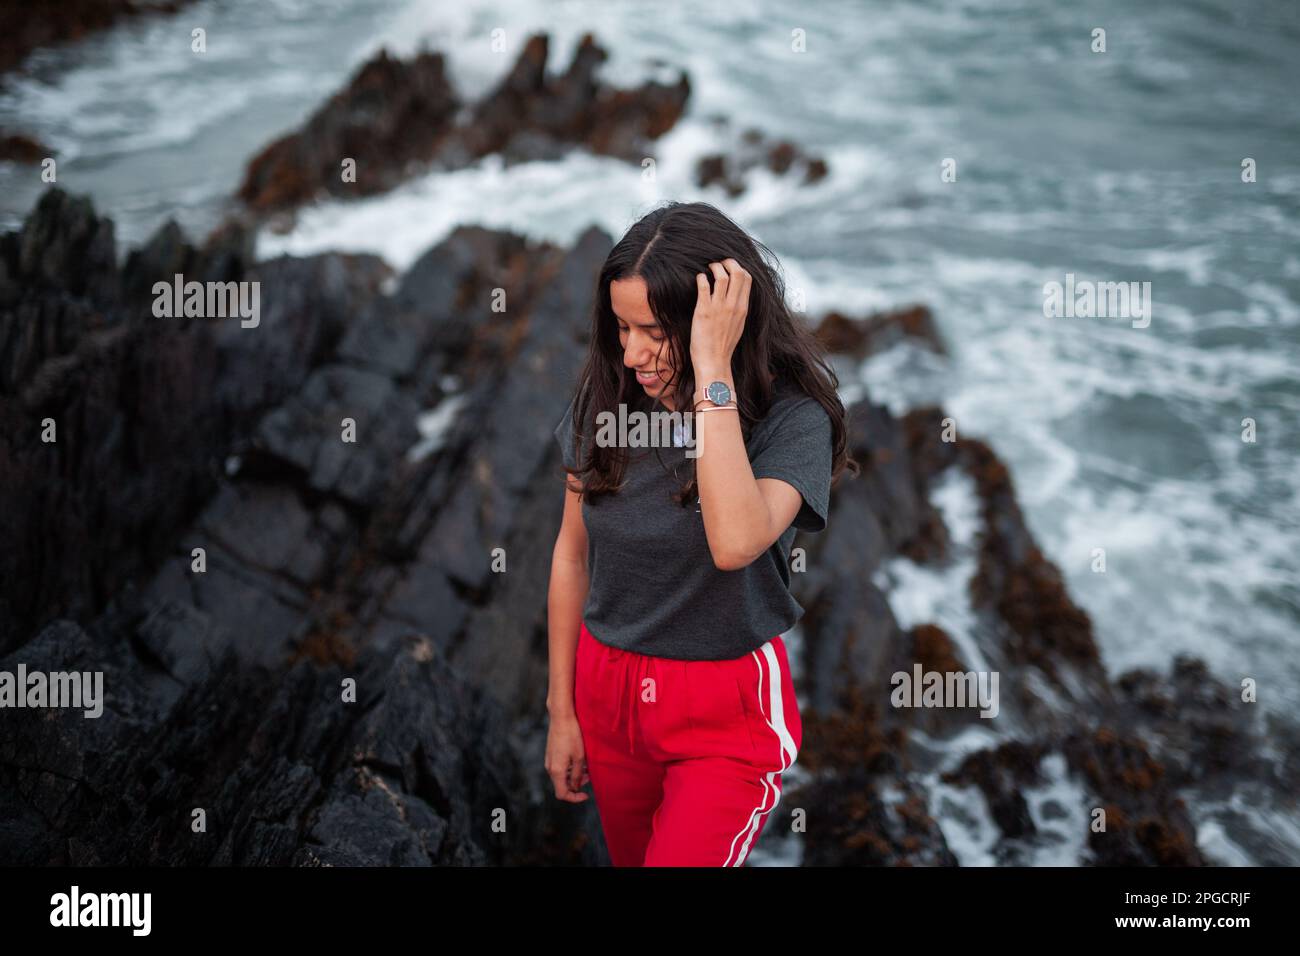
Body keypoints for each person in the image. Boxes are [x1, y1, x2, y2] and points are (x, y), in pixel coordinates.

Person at [545, 201, 858, 866]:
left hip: (724, 713)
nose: (630, 353)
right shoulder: (607, 402)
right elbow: (572, 555)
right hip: (606, 691)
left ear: (714, 324)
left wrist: (711, 376)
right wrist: (561, 710)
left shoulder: (791, 424)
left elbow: (735, 541)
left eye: (653, 331)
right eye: (621, 328)